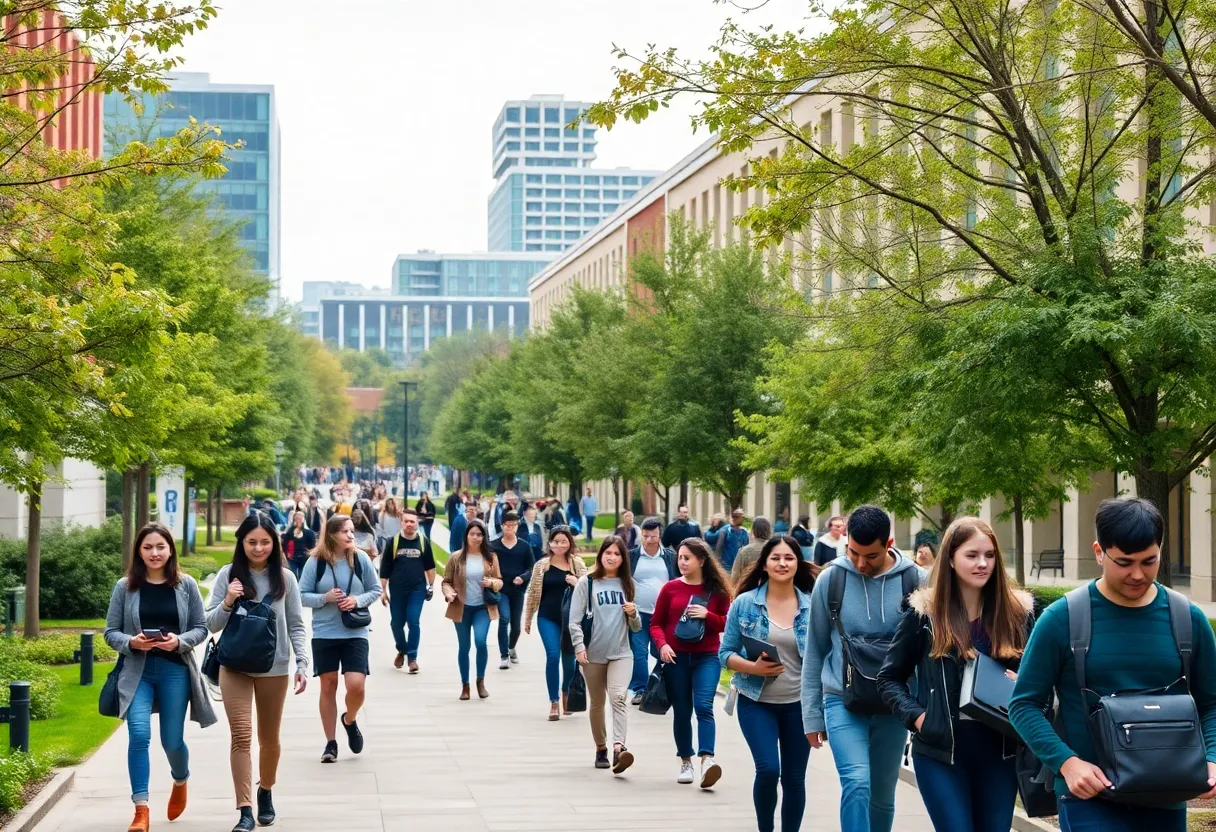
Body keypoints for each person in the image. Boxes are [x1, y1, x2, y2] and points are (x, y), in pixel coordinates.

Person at [1009, 498, 1216, 832]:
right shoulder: (1062, 619)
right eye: (1124, 562)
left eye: (1150, 561)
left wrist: (1213, 759)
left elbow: (1212, 702)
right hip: (1090, 800)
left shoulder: (1188, 619)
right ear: (1098, 552)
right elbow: (1023, 705)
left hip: (1168, 794)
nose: (1137, 574)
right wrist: (1067, 763)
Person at [877, 518, 1033, 832]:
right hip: (940, 753)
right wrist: (919, 718)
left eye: (989, 555)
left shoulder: (1018, 614)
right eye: (972, 555)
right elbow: (889, 679)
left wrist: (1027, 684)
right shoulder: (924, 615)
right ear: (950, 557)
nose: (982, 563)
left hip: (1000, 753)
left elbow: (1040, 678)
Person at [801, 505, 924, 832]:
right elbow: (815, 649)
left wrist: (925, 709)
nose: (859, 562)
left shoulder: (916, 580)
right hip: (842, 700)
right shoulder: (832, 579)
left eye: (869, 556)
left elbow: (930, 652)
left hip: (895, 704)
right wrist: (811, 714)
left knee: (882, 796)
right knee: (857, 783)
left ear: (889, 543)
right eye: (853, 552)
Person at [104, 523, 216, 832]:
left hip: (174, 671)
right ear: (139, 551)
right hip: (136, 671)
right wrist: (131, 642)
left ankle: (181, 780)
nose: (154, 553)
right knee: (139, 735)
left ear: (170, 550)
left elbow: (201, 626)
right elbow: (110, 632)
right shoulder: (124, 587)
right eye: (148, 547)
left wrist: (179, 641)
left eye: (160, 547)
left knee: (172, 741)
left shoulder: (186, 585)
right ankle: (141, 809)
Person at [206, 513, 309, 832]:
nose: (259, 548)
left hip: (274, 667)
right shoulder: (228, 575)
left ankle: (266, 790)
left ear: (274, 543)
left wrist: (302, 662)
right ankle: (245, 809)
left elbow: (295, 624)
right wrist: (227, 600)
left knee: (270, 739)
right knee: (241, 736)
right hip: (234, 665)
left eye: (265, 542)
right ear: (241, 542)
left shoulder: (286, 579)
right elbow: (209, 624)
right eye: (252, 542)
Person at [721, 536, 815, 832]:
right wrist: (754, 668)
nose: (782, 563)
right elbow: (725, 653)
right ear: (764, 563)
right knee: (768, 769)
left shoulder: (813, 607)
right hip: (755, 700)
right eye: (775, 558)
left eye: (789, 558)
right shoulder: (745, 604)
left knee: (794, 778)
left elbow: (824, 658)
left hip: (799, 705)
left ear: (797, 563)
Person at [298, 514, 381, 763]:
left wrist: (356, 600)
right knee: (328, 685)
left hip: (355, 631)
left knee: (356, 685)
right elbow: (302, 595)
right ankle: (331, 743)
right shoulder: (317, 562)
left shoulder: (361, 558)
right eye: (345, 531)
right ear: (332, 533)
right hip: (325, 632)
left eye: (352, 531)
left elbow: (375, 589)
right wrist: (326, 599)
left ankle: (350, 719)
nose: (351, 536)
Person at [651, 537, 733, 788]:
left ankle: (707, 759)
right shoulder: (670, 589)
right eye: (680, 558)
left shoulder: (717, 591)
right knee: (683, 711)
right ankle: (685, 761)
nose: (682, 562)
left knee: (704, 706)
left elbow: (727, 625)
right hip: (675, 658)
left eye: (687, 558)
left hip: (707, 656)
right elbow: (655, 624)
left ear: (702, 560)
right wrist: (662, 646)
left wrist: (708, 615)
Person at [569, 536, 642, 773]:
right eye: (607, 553)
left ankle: (619, 748)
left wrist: (634, 614)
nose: (611, 557)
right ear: (601, 555)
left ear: (623, 558)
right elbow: (574, 621)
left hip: (621, 653)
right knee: (598, 702)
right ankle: (601, 747)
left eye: (617, 554)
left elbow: (636, 627)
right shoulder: (587, 583)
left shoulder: (628, 584)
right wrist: (579, 647)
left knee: (619, 697)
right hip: (592, 654)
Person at [524, 527, 588, 720]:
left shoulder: (577, 564)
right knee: (553, 656)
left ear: (570, 543)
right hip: (547, 617)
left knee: (569, 661)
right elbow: (533, 593)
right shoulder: (541, 566)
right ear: (549, 543)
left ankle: (566, 694)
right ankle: (553, 702)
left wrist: (576, 581)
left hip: (571, 620)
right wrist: (527, 618)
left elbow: (588, 590)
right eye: (556, 541)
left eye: (564, 541)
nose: (559, 545)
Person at [441, 518, 504, 700]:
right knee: (464, 646)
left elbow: (500, 581)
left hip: (482, 608)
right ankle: (465, 685)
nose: (476, 538)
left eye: (479, 534)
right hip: (461, 608)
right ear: (466, 535)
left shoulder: (491, 558)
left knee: (480, 641)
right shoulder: (456, 557)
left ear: (484, 537)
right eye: (472, 534)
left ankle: (480, 681)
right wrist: (449, 592)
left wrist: (491, 582)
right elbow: (446, 581)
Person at [379, 507, 436, 673]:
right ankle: (402, 649)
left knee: (413, 621)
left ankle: (412, 658)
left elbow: (430, 566)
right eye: (407, 521)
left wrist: (430, 586)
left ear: (417, 523)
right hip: (397, 590)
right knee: (396, 624)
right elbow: (385, 568)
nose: (410, 524)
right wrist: (383, 591)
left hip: (417, 590)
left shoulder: (423, 542)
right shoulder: (393, 542)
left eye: (413, 521)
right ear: (401, 522)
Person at [627, 517, 678, 704]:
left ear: (659, 535)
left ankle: (659, 685)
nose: (649, 540)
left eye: (653, 536)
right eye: (645, 536)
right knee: (639, 652)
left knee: (660, 653)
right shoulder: (632, 555)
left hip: (663, 615)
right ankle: (640, 689)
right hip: (638, 614)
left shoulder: (670, 557)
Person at [491, 510, 535, 669]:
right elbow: (488, 567)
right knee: (504, 619)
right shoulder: (494, 546)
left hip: (518, 590)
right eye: (508, 525)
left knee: (516, 625)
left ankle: (511, 648)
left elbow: (532, 568)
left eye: (514, 525)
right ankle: (504, 655)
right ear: (503, 526)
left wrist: (522, 578)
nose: (511, 528)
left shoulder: (524, 546)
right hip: (501, 589)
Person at [730, 515, 773, 582]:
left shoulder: (744, 551)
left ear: (753, 531)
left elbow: (735, 576)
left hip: (748, 589)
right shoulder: (775, 549)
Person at [281, 510, 317, 580]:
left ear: (303, 519)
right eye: (296, 518)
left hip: (304, 558)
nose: (298, 520)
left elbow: (312, 546)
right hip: (292, 558)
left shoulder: (309, 533)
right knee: (294, 576)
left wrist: (308, 554)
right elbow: (285, 545)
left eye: (300, 518)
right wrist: (287, 555)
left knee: (302, 575)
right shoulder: (289, 533)